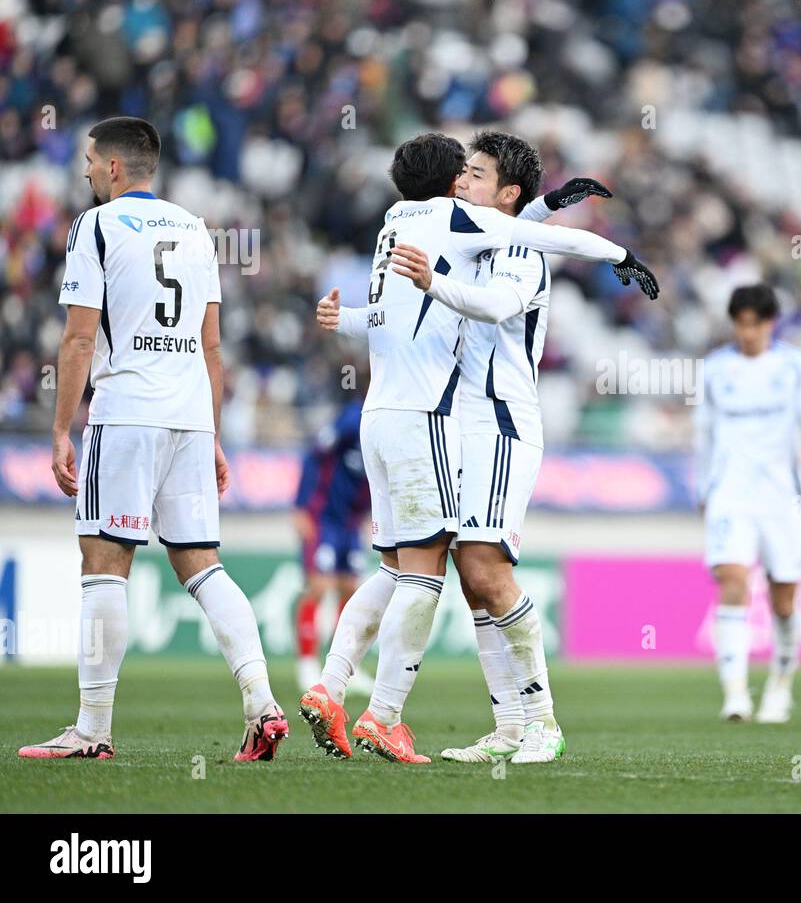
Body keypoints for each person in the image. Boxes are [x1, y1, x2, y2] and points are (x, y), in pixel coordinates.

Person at [304, 131, 651, 762]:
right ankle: (509, 725)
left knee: (486, 571)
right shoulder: (468, 234)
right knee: (463, 575)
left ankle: (541, 720)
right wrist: (353, 316)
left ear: (505, 191)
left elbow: (495, 300)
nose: (463, 182)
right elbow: (498, 227)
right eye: (460, 173)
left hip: (501, 424)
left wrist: (610, 249)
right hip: (451, 423)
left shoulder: (512, 254)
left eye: (477, 174)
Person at [21, 116, 289, 762]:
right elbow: (212, 344)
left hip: (128, 410)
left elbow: (80, 337)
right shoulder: (196, 229)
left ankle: (91, 729)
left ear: (114, 167)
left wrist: (61, 429)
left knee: (104, 561)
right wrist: (215, 435)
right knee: (201, 562)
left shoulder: (97, 225)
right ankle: (262, 702)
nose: (85, 170)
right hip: (191, 416)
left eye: (89, 160)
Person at [692, 284, 801, 723]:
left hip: (782, 495)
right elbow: (704, 433)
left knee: (783, 599)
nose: (748, 332)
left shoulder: (795, 365)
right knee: (732, 580)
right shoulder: (715, 369)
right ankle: (735, 693)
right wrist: (703, 487)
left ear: (770, 323)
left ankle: (780, 686)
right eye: (741, 323)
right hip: (731, 492)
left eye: (756, 323)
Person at [292, 396, 373, 692]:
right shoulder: (353, 418)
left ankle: (343, 668)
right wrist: (301, 505)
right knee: (319, 586)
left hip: (352, 523)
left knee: (351, 591)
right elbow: (315, 454)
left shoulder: (391, 422)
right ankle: (307, 664)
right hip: (324, 518)